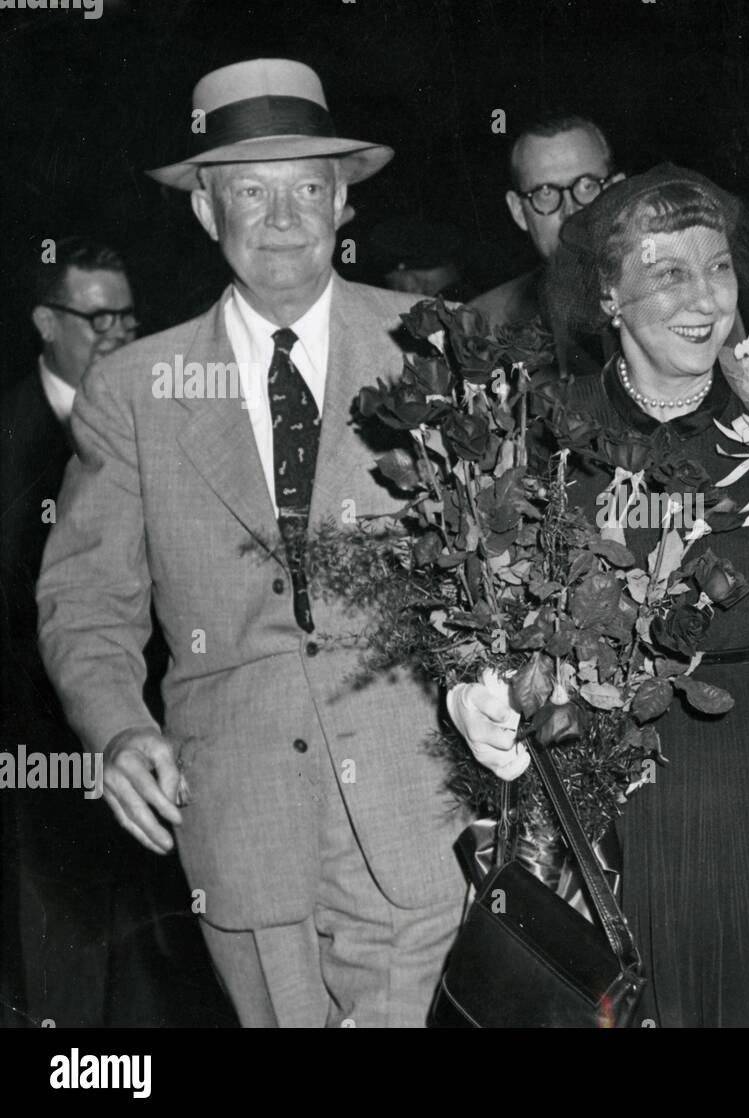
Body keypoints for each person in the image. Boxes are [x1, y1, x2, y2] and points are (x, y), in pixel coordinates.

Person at [36, 58, 467, 1028]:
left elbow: (502, 555)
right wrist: (116, 724)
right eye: (249, 192)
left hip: (410, 805)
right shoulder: (135, 388)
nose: (281, 219)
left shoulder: (434, 347)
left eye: (304, 189)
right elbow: (86, 596)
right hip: (241, 824)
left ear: (342, 199)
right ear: (204, 210)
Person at [449, 164, 749, 1027]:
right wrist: (474, 689)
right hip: (603, 781)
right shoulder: (547, 429)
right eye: (669, 273)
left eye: (719, 268)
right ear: (608, 296)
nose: (705, 298)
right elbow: (492, 603)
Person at [1, 238, 136, 1025]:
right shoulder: (11, 434)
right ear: (47, 323)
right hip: (36, 760)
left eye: (127, 315)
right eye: (97, 318)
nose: (118, 334)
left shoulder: (148, 418)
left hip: (142, 740)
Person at [473, 114, 624, 379]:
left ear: (620, 192)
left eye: (588, 186)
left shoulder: (691, 301)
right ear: (519, 211)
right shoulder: (482, 325)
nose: (572, 212)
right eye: (545, 192)